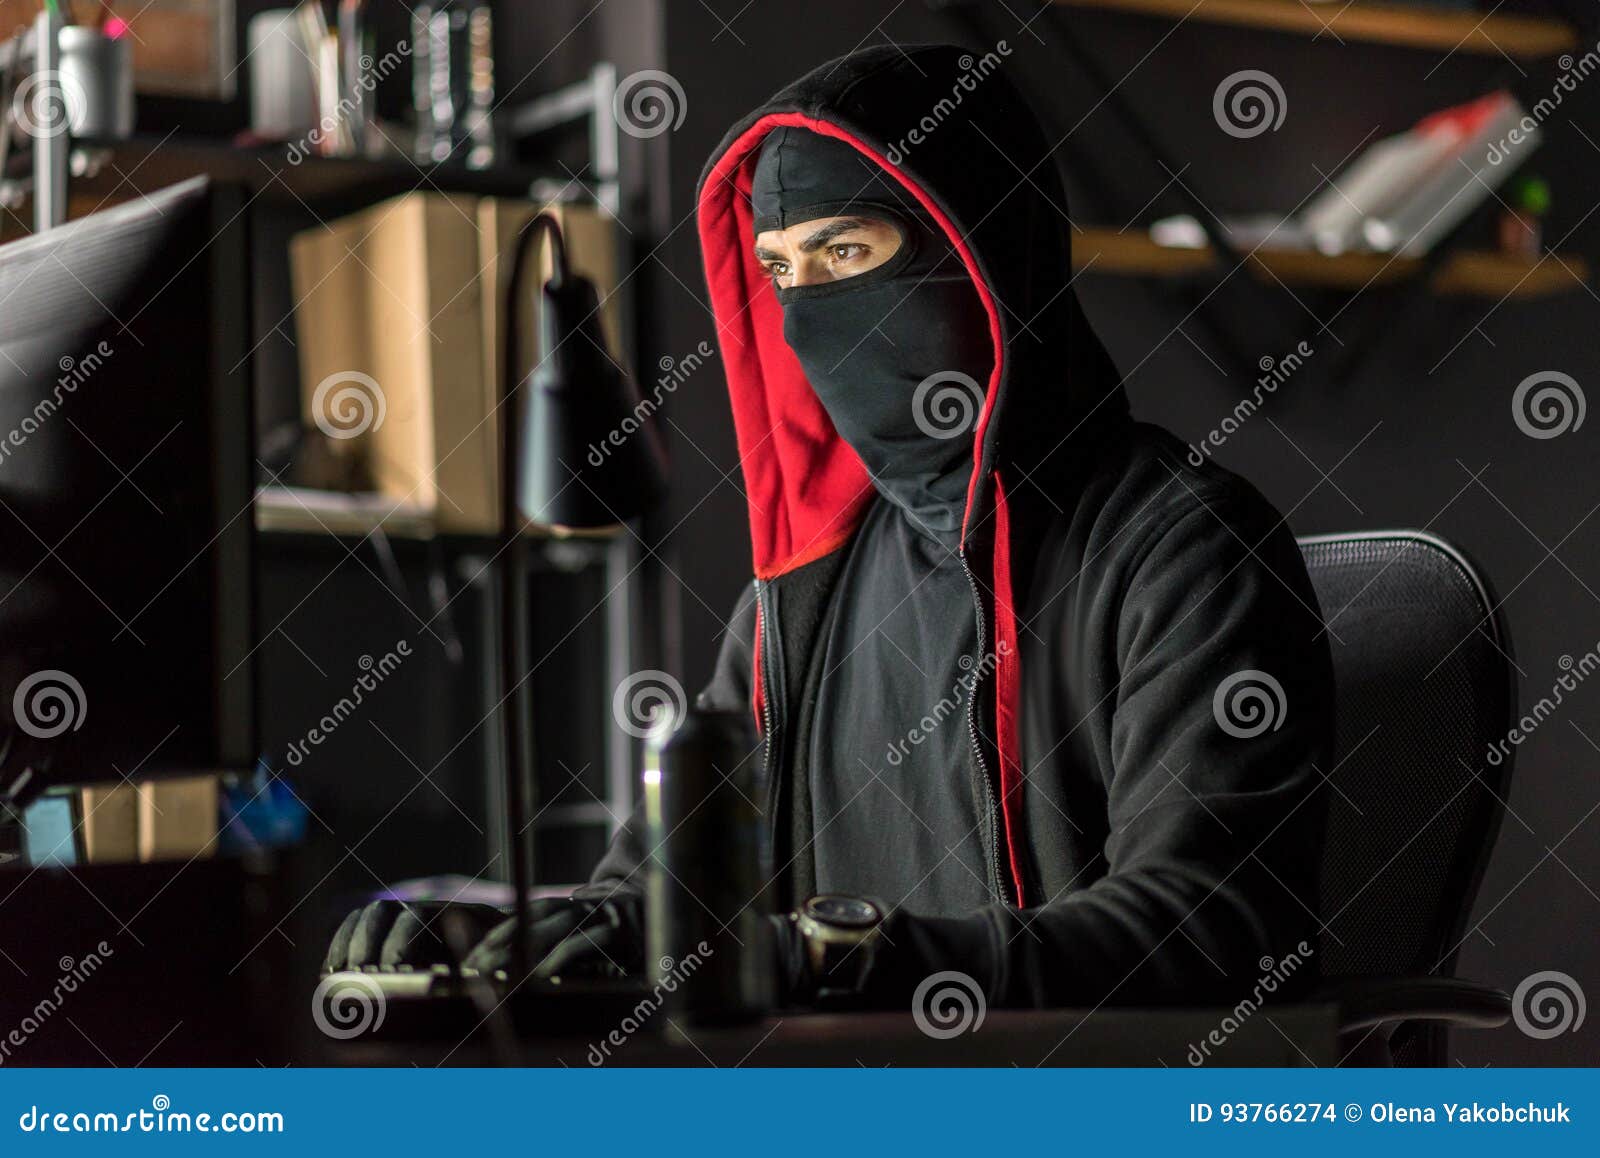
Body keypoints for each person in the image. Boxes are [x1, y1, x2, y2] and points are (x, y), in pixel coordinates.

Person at [327, 44, 1334, 1011]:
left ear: (979, 248)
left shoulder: (1189, 554)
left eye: (846, 250)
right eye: (781, 271)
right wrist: (481, 929)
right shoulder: (799, 598)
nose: (809, 310)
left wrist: (839, 957)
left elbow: (1208, 928)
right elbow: (659, 897)